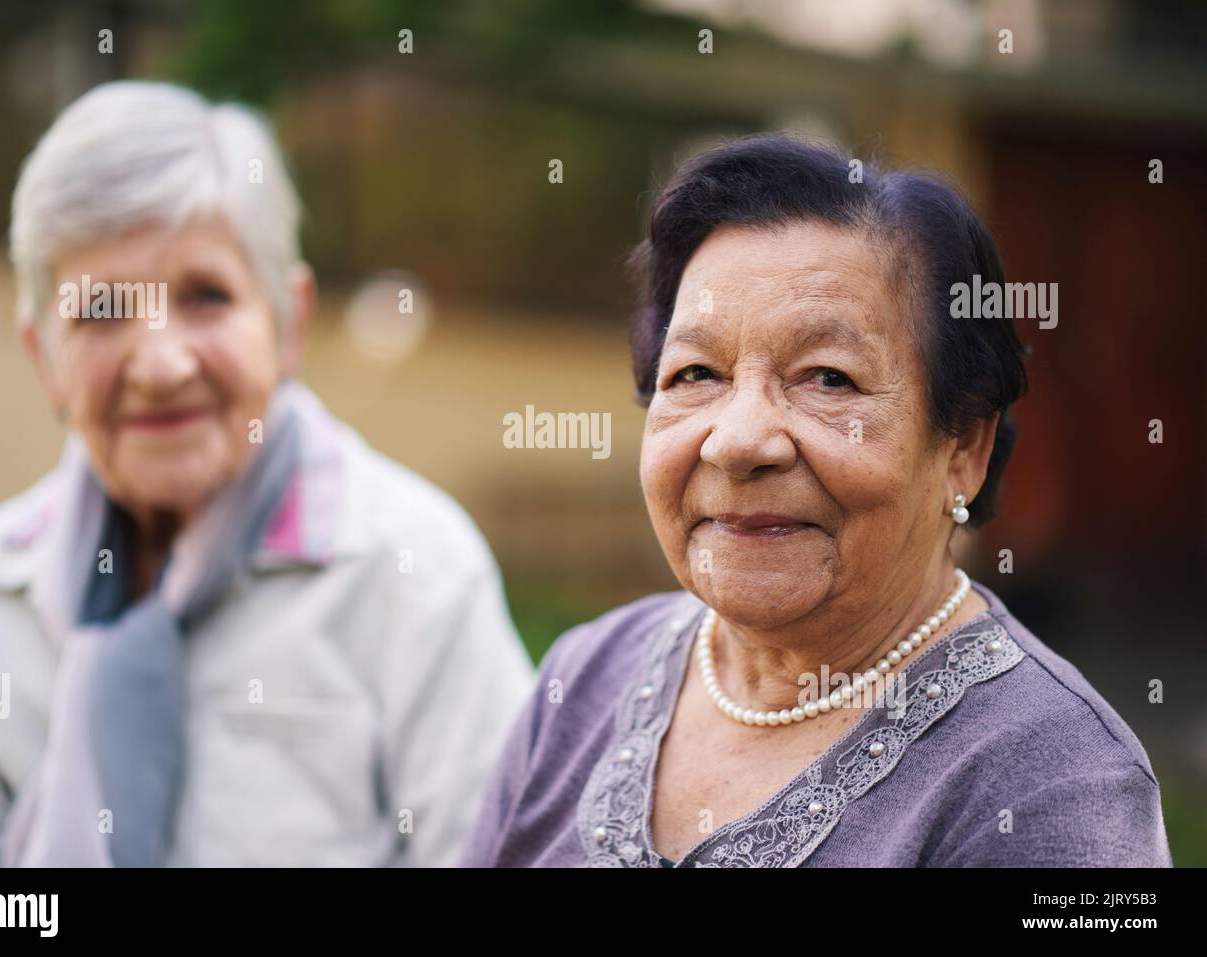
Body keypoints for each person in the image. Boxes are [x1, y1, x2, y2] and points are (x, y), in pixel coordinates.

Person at [459, 133, 1173, 868]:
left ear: (963, 448)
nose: (737, 441)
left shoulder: (1056, 784)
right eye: (696, 371)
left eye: (828, 378)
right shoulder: (584, 677)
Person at [0, 80, 536, 867]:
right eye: (101, 310)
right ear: (44, 357)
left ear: (288, 322)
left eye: (205, 296)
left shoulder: (415, 573)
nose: (163, 364)